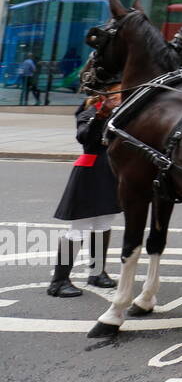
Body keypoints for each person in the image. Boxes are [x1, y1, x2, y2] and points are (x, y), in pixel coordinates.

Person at [48, 86, 123, 297]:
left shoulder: (124, 114)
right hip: (90, 175)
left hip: (112, 175)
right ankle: (58, 281)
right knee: (79, 228)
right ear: (104, 95)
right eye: (117, 92)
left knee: (104, 225)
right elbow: (86, 140)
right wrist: (102, 115)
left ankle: (97, 273)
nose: (120, 95)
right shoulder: (89, 113)